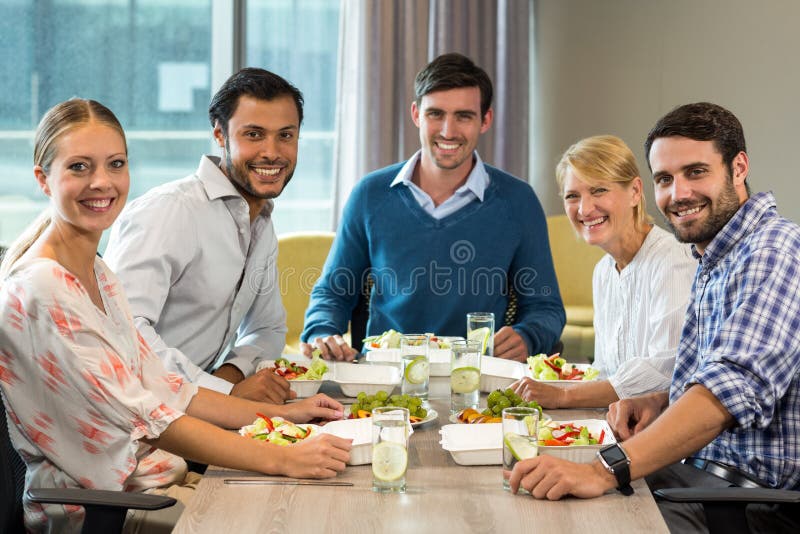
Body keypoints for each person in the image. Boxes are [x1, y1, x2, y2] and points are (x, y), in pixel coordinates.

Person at [0, 99, 352, 533]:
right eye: (79, 167)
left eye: (115, 164)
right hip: (105, 507)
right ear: (43, 179)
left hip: (155, 483)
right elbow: (148, 420)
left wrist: (284, 416)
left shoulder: (98, 272)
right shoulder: (45, 288)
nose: (102, 182)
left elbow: (165, 385)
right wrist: (282, 455)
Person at [508, 103, 799, 533]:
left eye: (696, 172)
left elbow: (727, 392)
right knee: (536, 495)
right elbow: (708, 379)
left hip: (746, 499)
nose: (678, 194)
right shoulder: (715, 256)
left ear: (739, 167)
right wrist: (659, 401)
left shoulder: (774, 251)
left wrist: (603, 471)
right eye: (666, 178)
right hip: (698, 478)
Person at [300, 53, 565, 362]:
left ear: (486, 120)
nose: (448, 131)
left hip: (476, 380)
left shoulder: (518, 201)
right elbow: (333, 292)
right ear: (416, 114)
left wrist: (528, 336)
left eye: (464, 116)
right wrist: (321, 331)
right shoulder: (370, 195)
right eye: (435, 114)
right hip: (384, 380)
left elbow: (546, 307)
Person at [104, 68, 302, 404]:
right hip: (136, 417)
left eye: (285, 135)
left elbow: (267, 329)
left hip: (196, 407)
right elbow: (126, 335)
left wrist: (230, 376)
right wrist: (225, 392)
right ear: (220, 134)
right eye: (253, 134)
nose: (272, 152)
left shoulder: (261, 221)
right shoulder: (170, 211)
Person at [511, 135, 695, 408]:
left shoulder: (673, 260)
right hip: (611, 423)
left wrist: (563, 396)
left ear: (635, 192)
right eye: (573, 196)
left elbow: (665, 371)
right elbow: (607, 370)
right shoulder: (603, 272)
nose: (585, 209)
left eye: (598, 191)